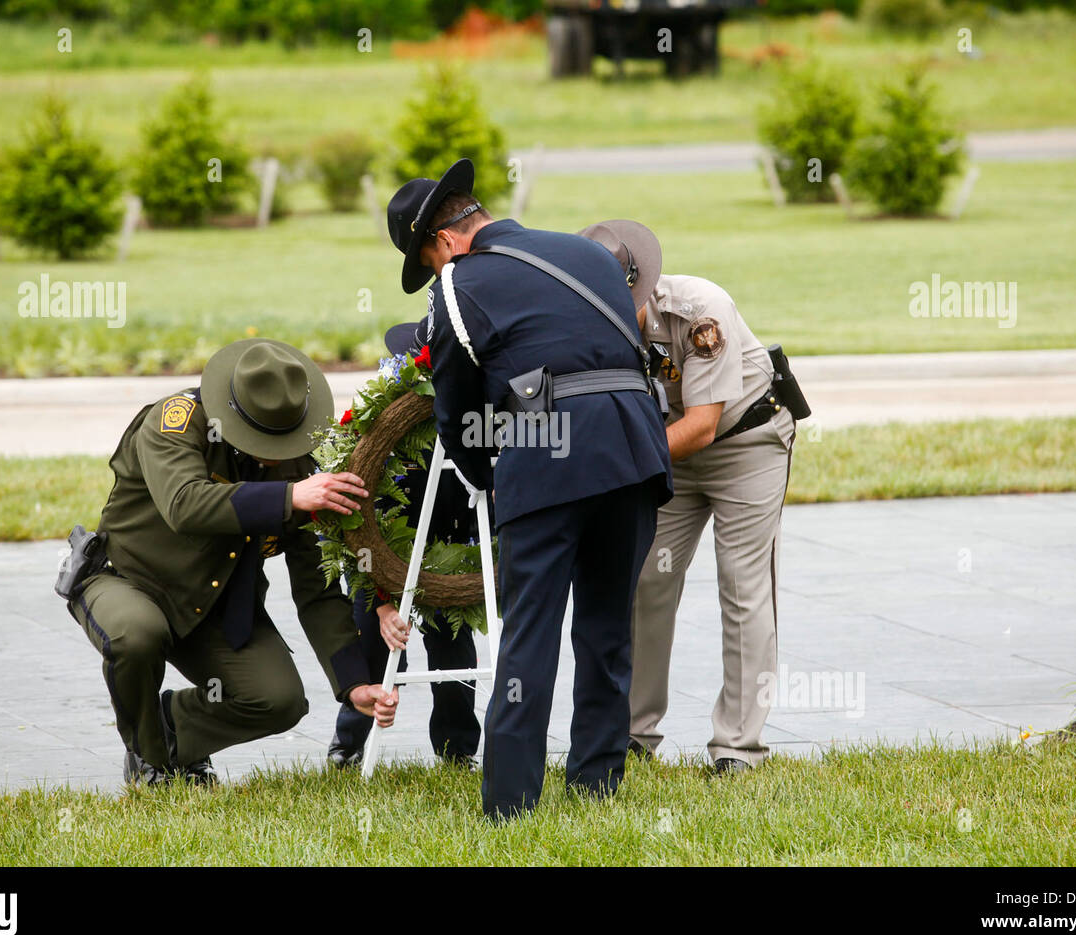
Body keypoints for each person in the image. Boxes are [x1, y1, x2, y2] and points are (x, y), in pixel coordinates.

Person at [386, 159, 672, 821]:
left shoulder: (457, 282)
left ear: (444, 242)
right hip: (634, 448)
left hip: (544, 458)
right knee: (608, 630)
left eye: (430, 261)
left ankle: (511, 802)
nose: (437, 272)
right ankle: (597, 785)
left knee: (530, 636)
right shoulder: (588, 252)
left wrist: (493, 478)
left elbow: (458, 411)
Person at [68, 338, 398, 786]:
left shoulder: (301, 466)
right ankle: (149, 759)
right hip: (129, 582)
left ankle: (170, 730)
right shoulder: (175, 421)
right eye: (267, 438)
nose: (279, 451)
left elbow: (315, 585)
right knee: (137, 635)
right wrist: (288, 497)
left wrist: (354, 682)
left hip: (214, 604)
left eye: (286, 437)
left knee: (279, 700)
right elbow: (184, 504)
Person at [580, 220, 795, 774]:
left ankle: (737, 747)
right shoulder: (588, 316)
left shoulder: (701, 311)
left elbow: (701, 426)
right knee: (646, 580)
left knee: (743, 586)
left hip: (745, 441)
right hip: (667, 449)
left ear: (641, 288)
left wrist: (615, 466)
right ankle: (634, 733)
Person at [327, 322, 483, 769]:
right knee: (370, 642)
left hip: (450, 551)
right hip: (377, 549)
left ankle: (457, 749)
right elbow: (347, 523)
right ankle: (348, 742)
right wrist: (382, 604)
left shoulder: (475, 423)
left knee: (452, 646)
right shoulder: (372, 425)